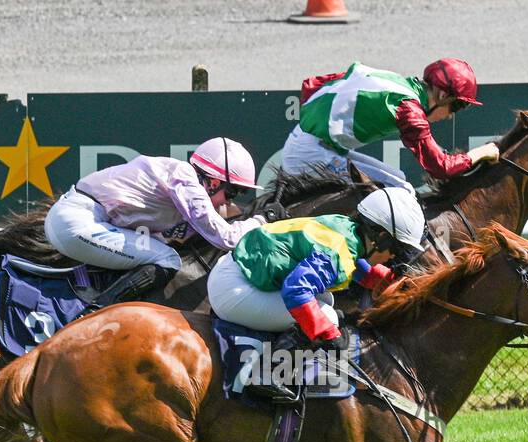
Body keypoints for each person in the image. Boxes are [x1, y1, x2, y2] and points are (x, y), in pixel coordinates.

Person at [208, 186, 426, 402]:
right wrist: (328, 333)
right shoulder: (337, 251)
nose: (391, 259)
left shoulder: (346, 229)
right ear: (380, 237)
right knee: (328, 317)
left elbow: (352, 266)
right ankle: (267, 373)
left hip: (233, 273)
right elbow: (297, 290)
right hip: (233, 289)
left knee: (325, 301)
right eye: (396, 250)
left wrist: (390, 279)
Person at [43, 137, 273, 306]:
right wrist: (262, 220)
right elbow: (226, 238)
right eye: (232, 193)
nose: (226, 203)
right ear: (213, 182)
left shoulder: (179, 181)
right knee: (168, 258)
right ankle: (96, 311)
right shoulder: (186, 180)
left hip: (76, 219)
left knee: (159, 250)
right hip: (78, 221)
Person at [281, 58, 501, 192]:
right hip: (311, 156)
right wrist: (481, 152)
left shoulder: (399, 84)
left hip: (313, 145)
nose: (452, 116)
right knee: (399, 192)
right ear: (443, 94)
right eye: (457, 107)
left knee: (400, 182)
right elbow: (441, 168)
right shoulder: (409, 109)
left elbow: (314, 84)